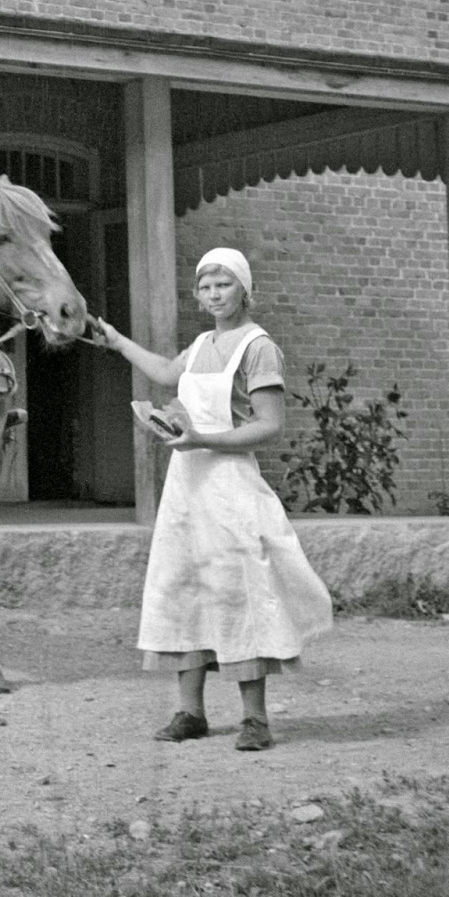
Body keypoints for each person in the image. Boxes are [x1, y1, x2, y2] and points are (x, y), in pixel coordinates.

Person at [89, 247, 332, 752]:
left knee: (238, 590)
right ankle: (189, 712)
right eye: (206, 286)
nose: (214, 294)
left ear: (244, 288)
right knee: (183, 586)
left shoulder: (258, 347)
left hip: (231, 485)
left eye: (224, 284)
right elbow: (164, 373)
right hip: (186, 486)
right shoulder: (201, 344)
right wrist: (115, 341)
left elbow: (268, 425)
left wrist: (203, 438)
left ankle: (255, 720)